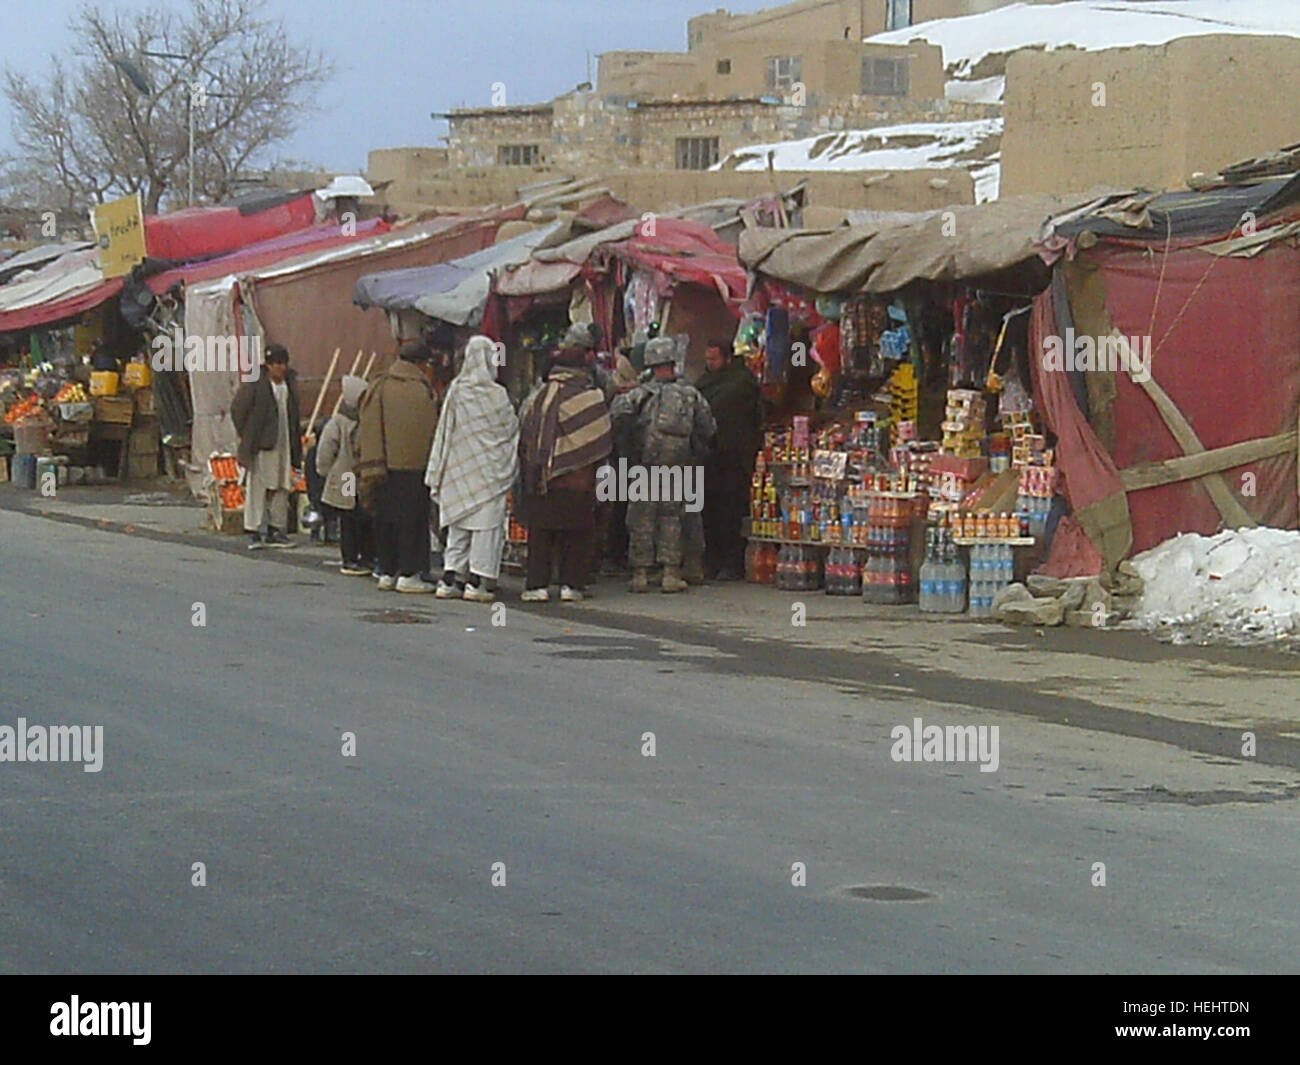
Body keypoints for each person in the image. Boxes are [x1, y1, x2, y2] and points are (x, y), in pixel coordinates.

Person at [610, 336, 716, 594]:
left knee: (641, 517)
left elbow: (616, 418)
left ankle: (640, 574)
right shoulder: (691, 394)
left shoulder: (639, 394)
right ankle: (671, 573)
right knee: (672, 517)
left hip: (645, 464)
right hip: (679, 466)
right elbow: (709, 428)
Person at [424, 336, 519, 602]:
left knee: (458, 527)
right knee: (485, 528)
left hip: (459, 470)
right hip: (490, 473)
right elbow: (510, 429)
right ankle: (478, 579)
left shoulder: (457, 391)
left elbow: (445, 431)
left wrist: (437, 470)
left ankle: (451, 576)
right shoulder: (498, 395)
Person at [517, 342, 613, 603]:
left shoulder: (539, 396)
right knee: (577, 536)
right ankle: (572, 585)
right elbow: (601, 438)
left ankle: (537, 585)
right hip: (580, 479)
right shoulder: (593, 397)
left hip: (543, 478)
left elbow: (525, 431)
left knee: (541, 535)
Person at [358, 339, 440, 592]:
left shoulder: (379, 385)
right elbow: (430, 433)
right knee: (412, 522)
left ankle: (388, 571)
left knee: (386, 520)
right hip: (415, 468)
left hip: (381, 466)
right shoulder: (422, 390)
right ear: (420, 363)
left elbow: (368, 427)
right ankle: (410, 573)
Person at [696, 337, 763, 580]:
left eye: (714, 359)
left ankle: (732, 563)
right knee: (710, 513)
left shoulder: (741, 382)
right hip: (710, 459)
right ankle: (712, 560)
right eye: (708, 359)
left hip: (734, 459)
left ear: (726, 358)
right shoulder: (704, 383)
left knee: (731, 513)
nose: (710, 363)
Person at [231, 343, 302, 549]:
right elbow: (238, 409)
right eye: (277, 364)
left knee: (281, 485)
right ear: (268, 365)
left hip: (284, 442)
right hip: (261, 444)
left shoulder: (289, 384)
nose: (281, 368)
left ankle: (275, 529)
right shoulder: (256, 383)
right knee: (258, 486)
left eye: (283, 364)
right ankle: (253, 529)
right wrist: (247, 433)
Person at [316, 374, 374, 576]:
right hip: (355, 475)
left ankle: (353, 558)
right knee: (358, 516)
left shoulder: (338, 421)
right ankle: (360, 557)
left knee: (350, 516)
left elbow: (325, 448)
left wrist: (325, 471)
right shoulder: (362, 419)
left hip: (346, 474)